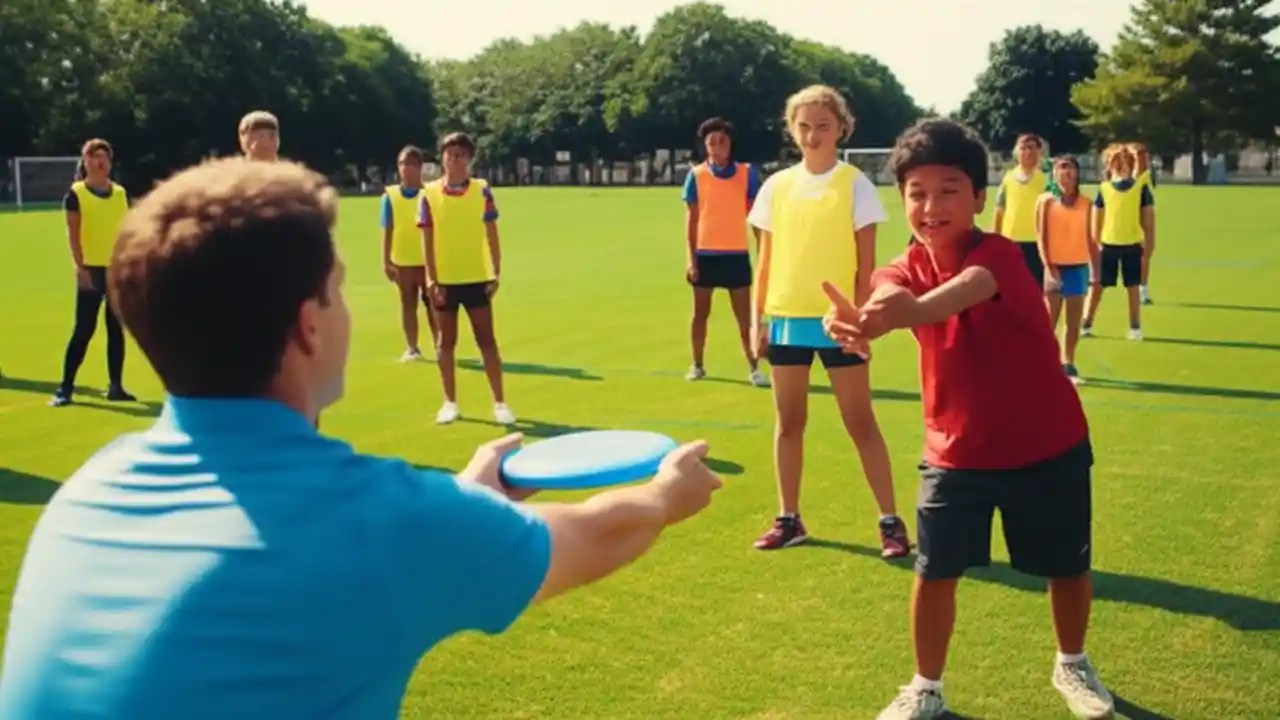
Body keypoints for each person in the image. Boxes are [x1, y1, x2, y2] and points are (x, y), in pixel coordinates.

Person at [0, 158, 723, 720]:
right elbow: (586, 541)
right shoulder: (371, 515)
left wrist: (467, 497)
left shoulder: (90, 489)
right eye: (337, 291)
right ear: (308, 325)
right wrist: (664, 494)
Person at [821, 118, 1112, 720]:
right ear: (903, 200)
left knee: (1066, 568)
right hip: (954, 452)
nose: (932, 206)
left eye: (950, 190)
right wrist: (861, 320)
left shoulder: (1000, 256)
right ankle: (925, 686)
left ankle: (1073, 662)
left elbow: (958, 294)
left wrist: (904, 313)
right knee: (933, 573)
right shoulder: (900, 266)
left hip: (1046, 443)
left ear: (979, 198)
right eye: (918, 193)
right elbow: (884, 293)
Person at [746, 85, 909, 556]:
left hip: (838, 323)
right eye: (804, 126)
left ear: (841, 127)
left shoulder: (853, 183)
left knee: (860, 421)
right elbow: (766, 259)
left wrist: (859, 319)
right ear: (791, 130)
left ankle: (890, 522)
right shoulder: (776, 187)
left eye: (823, 126)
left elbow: (867, 264)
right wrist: (759, 319)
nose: (813, 135)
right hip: (785, 321)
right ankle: (789, 518)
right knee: (788, 422)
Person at [421, 132, 514, 425]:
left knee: (487, 340)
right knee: (445, 343)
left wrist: (495, 271)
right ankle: (449, 402)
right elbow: (427, 238)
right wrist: (431, 279)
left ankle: (499, 402)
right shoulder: (429, 194)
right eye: (449, 154)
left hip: (476, 277)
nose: (454, 159)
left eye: (460, 155)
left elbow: (492, 232)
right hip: (445, 280)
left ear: (470, 160)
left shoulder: (482, 191)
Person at [681, 117, 768, 387]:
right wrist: (691, 259)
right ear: (705, 146)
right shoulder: (696, 175)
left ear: (730, 144)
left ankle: (754, 368)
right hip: (705, 255)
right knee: (700, 314)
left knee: (744, 317)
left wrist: (764, 252)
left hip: (735, 255)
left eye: (722, 141)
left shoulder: (746, 174)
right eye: (712, 142)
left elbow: (756, 216)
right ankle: (697, 365)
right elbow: (691, 220)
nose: (717, 147)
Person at [50, 138, 136, 408]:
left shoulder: (121, 194)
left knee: (116, 329)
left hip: (115, 270)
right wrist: (80, 267)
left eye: (105, 158)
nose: (100, 162)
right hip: (91, 270)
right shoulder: (76, 194)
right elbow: (73, 236)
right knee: (84, 329)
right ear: (85, 162)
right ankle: (65, 388)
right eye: (94, 157)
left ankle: (116, 386)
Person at [1083, 143, 1153, 341]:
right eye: (1116, 163)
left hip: (1131, 245)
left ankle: (1135, 327)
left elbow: (1147, 220)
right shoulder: (1104, 189)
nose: (1121, 166)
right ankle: (1087, 322)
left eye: (1125, 162)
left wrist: (1148, 246)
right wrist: (1097, 244)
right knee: (1097, 286)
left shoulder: (1140, 187)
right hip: (1108, 245)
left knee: (1132, 287)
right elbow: (1096, 221)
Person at [1035, 156, 1097, 384]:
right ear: (1054, 173)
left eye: (1070, 168)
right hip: (1055, 266)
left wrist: (1095, 270)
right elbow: (1041, 237)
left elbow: (1092, 239)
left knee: (1073, 321)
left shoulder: (1087, 203)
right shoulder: (1045, 202)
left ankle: (1068, 363)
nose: (1066, 173)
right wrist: (1049, 268)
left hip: (1078, 265)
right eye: (1061, 168)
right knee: (1049, 320)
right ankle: (1042, 363)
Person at [381, 145, 437, 361]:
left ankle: (440, 344)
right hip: (402, 260)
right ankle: (412, 347)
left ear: (420, 167)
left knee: (433, 305)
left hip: (427, 260)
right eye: (403, 164)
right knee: (407, 304)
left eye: (412, 164)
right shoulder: (390, 196)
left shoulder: (430, 194)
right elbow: (387, 229)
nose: (407, 169)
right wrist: (386, 261)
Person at [992, 133, 1049, 282]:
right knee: (1010, 284)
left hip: (1038, 242)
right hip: (1011, 240)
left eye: (1031, 148)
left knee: (1036, 286)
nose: (1027, 152)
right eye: (1023, 148)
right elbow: (999, 210)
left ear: (1039, 151)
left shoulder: (1046, 179)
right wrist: (995, 240)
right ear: (1016, 152)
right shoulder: (1008, 178)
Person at [1128, 142, 1157, 305]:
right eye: (1139, 157)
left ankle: (1143, 288)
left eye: (1144, 156)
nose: (1143, 160)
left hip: (1146, 203)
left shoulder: (1145, 176)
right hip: (1131, 206)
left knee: (1148, 248)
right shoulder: (1127, 177)